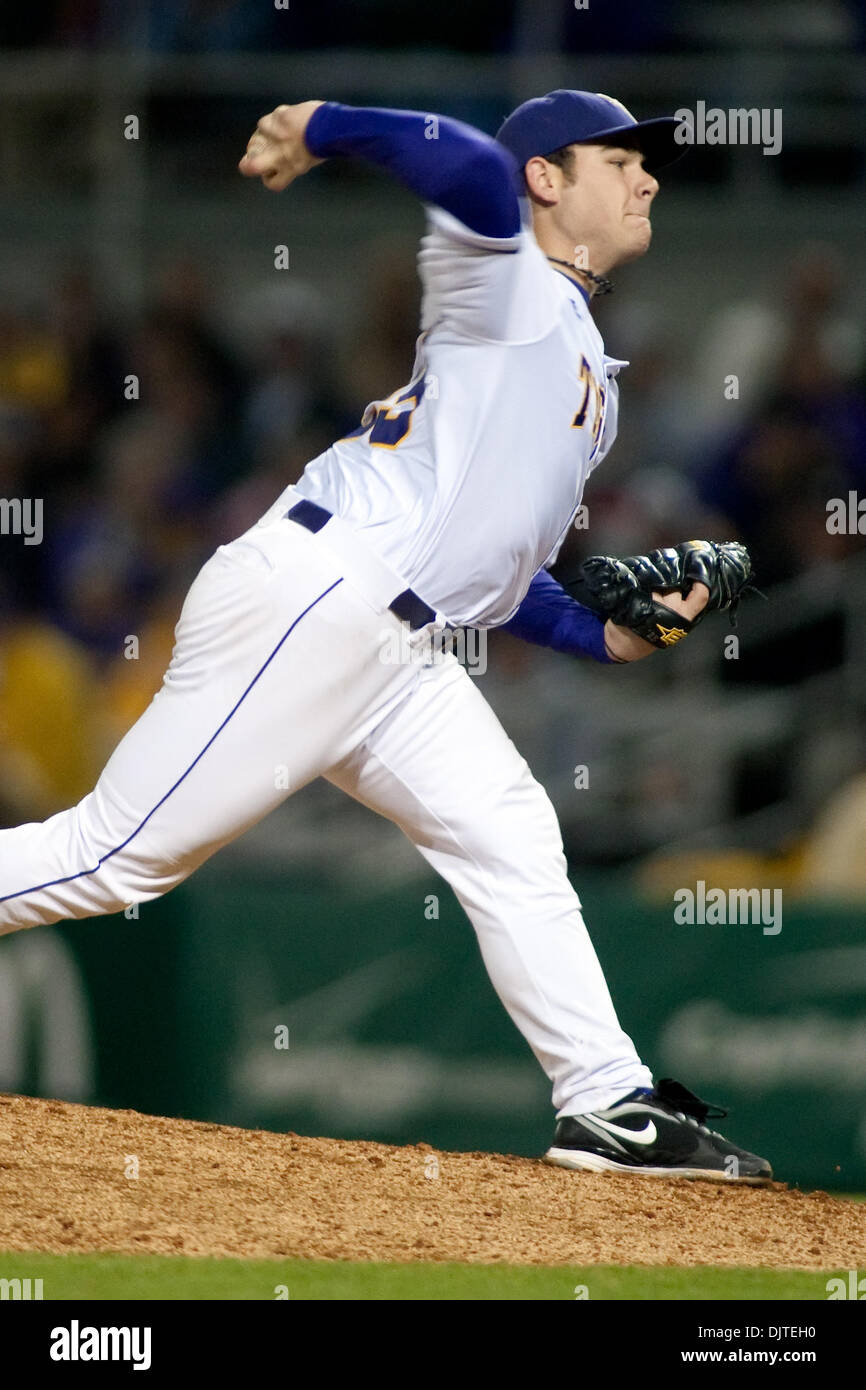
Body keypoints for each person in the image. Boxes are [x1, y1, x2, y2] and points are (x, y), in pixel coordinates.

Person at [0, 91, 771, 1183]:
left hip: (399, 645)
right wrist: (319, 122)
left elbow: (499, 581)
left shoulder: (586, 372)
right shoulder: (508, 285)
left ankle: (606, 1101)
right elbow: (459, 159)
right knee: (121, 856)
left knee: (508, 833)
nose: (646, 179)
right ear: (544, 179)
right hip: (320, 594)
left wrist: (613, 641)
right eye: (617, 158)